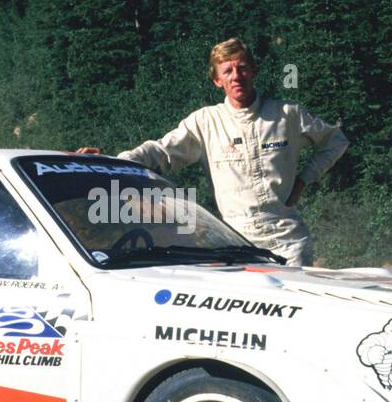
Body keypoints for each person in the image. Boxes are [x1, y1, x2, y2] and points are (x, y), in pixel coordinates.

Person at [77, 38, 348, 266]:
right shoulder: (205, 122)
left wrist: (304, 179)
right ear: (216, 80)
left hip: (289, 243)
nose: (236, 76)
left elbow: (336, 141)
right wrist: (107, 162)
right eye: (227, 71)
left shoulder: (287, 114)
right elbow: (160, 152)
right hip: (237, 246)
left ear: (253, 70)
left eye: (242, 68)